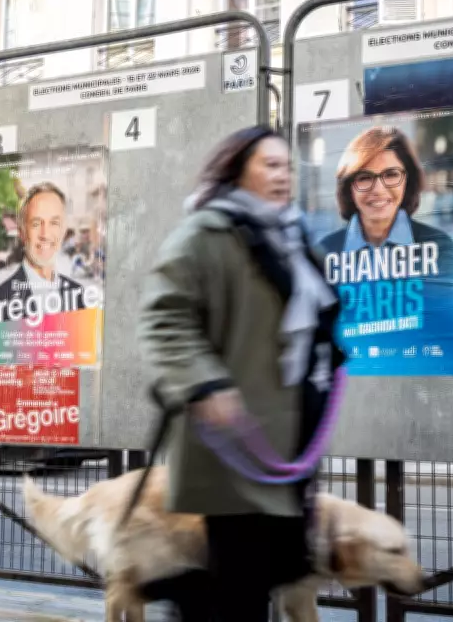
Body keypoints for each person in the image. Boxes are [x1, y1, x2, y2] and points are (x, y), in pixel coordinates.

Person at [136, 125, 344, 622]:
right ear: (237, 171)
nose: (282, 175)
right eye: (269, 165)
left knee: (284, 562)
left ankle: (189, 598)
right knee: (246, 574)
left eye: (287, 166)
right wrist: (204, 383)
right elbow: (164, 316)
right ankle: (191, 601)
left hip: (287, 435)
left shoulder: (292, 234)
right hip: (233, 436)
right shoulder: (205, 234)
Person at [318, 125, 453, 283]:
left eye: (391, 175)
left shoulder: (443, 252)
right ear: (349, 187)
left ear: (408, 181)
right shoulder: (322, 255)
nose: (378, 190)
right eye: (364, 177)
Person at [0, 182, 86, 315]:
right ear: (22, 232)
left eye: (54, 223)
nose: (45, 234)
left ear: (63, 231)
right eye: (36, 223)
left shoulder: (80, 297)